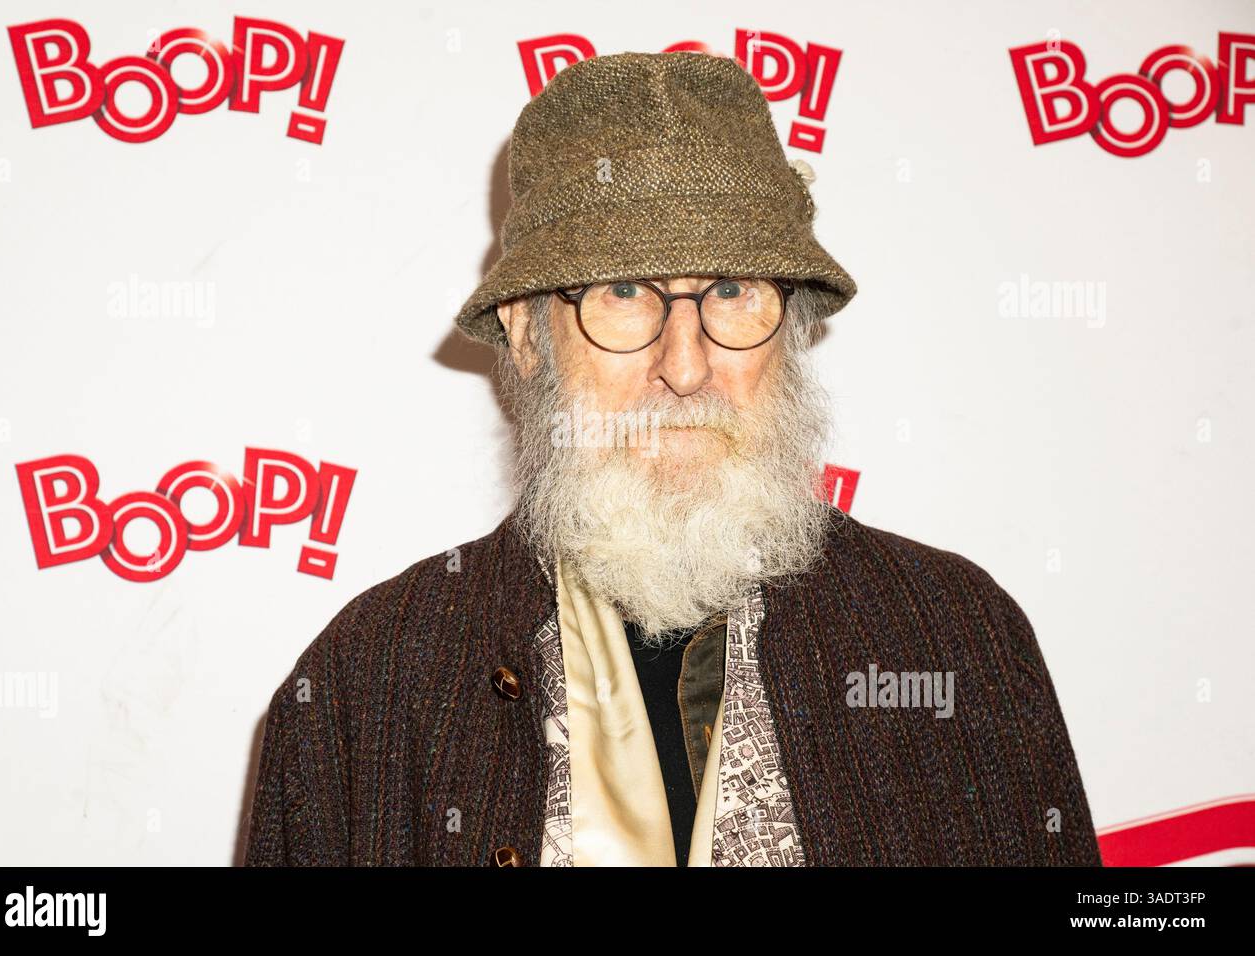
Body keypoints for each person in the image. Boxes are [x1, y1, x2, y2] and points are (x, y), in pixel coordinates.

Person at [243, 50, 1101, 867]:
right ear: (527, 336)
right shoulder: (370, 685)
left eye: (730, 291)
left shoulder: (952, 640)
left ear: (792, 327)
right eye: (623, 294)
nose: (686, 367)